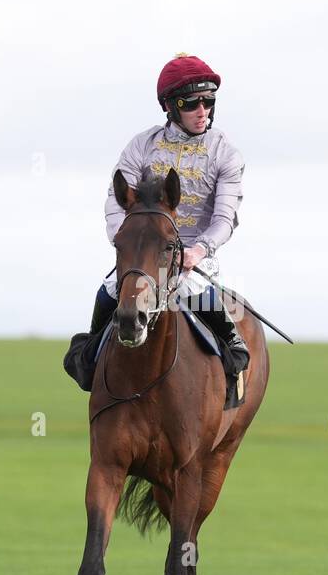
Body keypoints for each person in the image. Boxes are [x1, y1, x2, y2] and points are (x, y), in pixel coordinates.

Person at [64, 52, 249, 393]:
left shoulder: (226, 154)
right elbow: (115, 200)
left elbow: (225, 217)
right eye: (192, 103)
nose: (202, 111)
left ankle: (234, 356)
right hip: (145, 254)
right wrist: (125, 244)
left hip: (194, 256)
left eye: (208, 101)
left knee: (201, 296)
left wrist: (197, 252)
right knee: (107, 293)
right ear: (171, 106)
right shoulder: (141, 146)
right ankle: (88, 358)